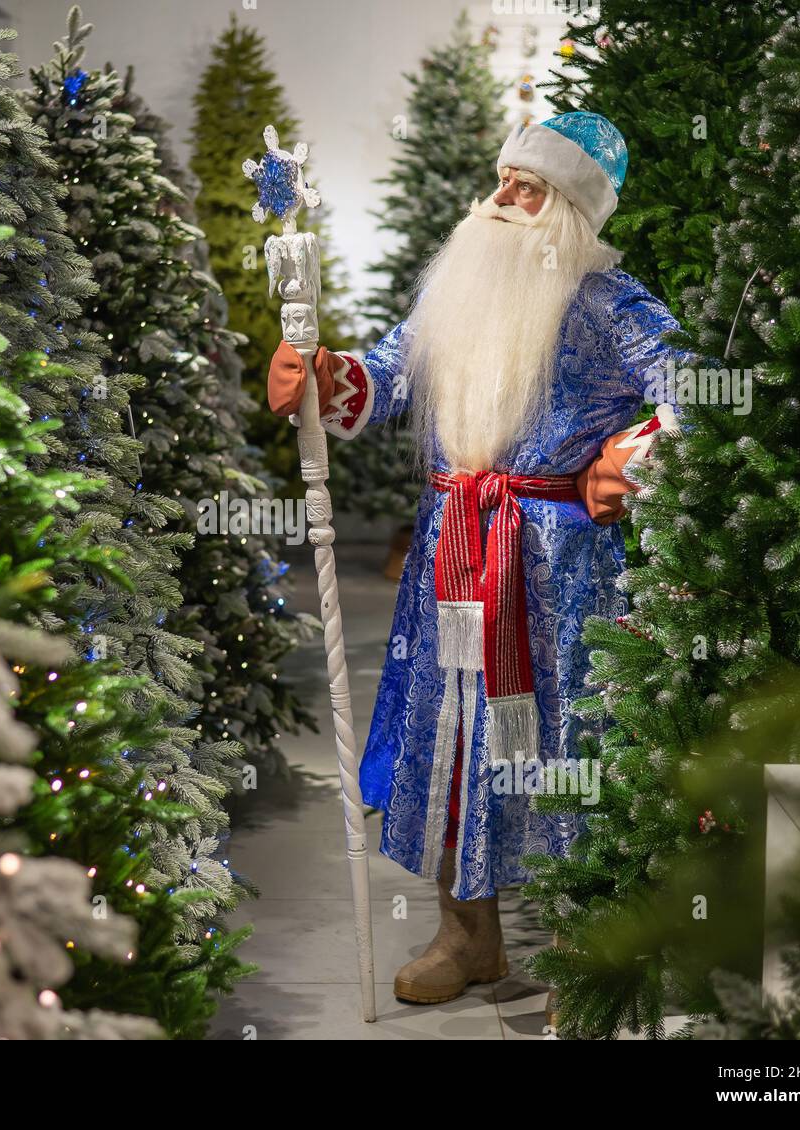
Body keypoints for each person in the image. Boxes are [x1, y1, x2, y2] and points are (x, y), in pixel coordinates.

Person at [267, 112, 686, 1005]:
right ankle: (468, 937)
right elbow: (391, 374)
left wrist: (628, 460)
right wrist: (321, 376)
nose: (498, 200)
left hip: (559, 569)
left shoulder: (616, 304)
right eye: (501, 179)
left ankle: (585, 944)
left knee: (564, 742)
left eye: (524, 187)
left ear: (569, 210)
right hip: (452, 554)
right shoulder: (455, 289)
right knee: (455, 736)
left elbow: (696, 398)